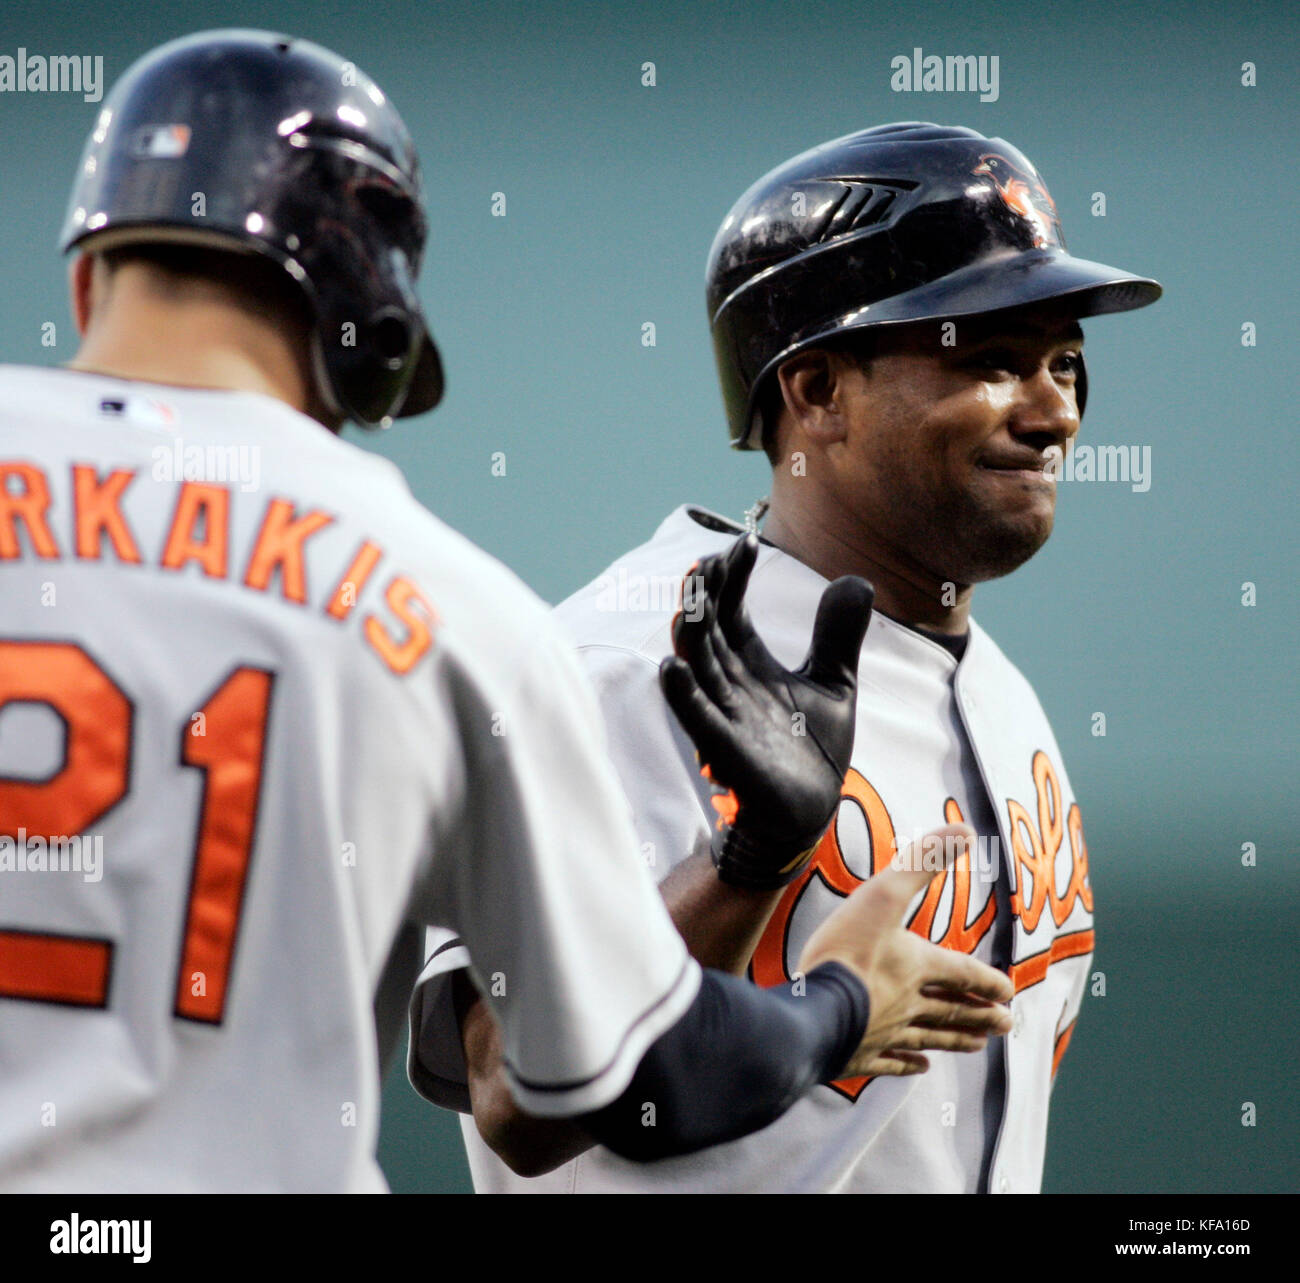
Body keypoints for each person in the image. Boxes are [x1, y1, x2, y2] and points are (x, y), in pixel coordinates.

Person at [0, 38, 1013, 1194]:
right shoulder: (445, 604)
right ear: (366, 330)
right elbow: (623, 1068)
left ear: (85, 278)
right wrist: (845, 997)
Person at [410, 121, 1162, 1193]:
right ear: (814, 392)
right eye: (990, 360)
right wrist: (744, 861)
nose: (1052, 412)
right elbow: (512, 1094)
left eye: (1063, 364)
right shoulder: (612, 663)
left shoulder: (999, 690)